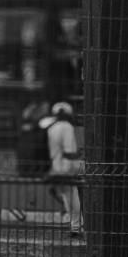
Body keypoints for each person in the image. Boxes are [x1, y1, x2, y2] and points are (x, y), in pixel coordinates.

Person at [42, 100, 83, 236]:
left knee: (67, 196)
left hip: (56, 166)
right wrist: (81, 154)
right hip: (67, 166)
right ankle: (76, 226)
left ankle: (74, 225)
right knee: (73, 195)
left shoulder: (51, 127)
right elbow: (69, 151)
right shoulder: (66, 127)